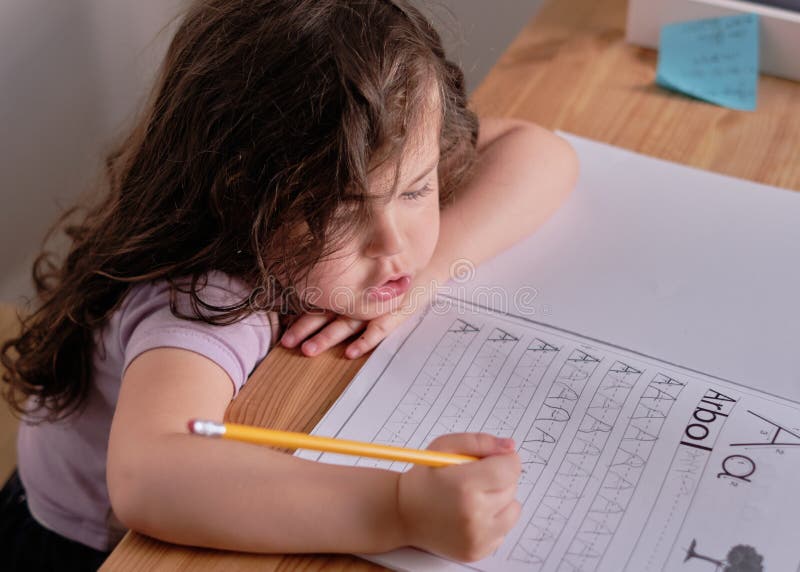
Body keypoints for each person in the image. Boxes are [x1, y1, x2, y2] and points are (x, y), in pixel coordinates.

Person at [0, 0, 578, 569]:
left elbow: (539, 152)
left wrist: (424, 276)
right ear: (241, 196)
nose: (393, 244)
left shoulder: (380, 153)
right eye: (342, 211)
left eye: (416, 190)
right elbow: (147, 476)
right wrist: (401, 510)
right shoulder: (207, 297)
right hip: (82, 545)